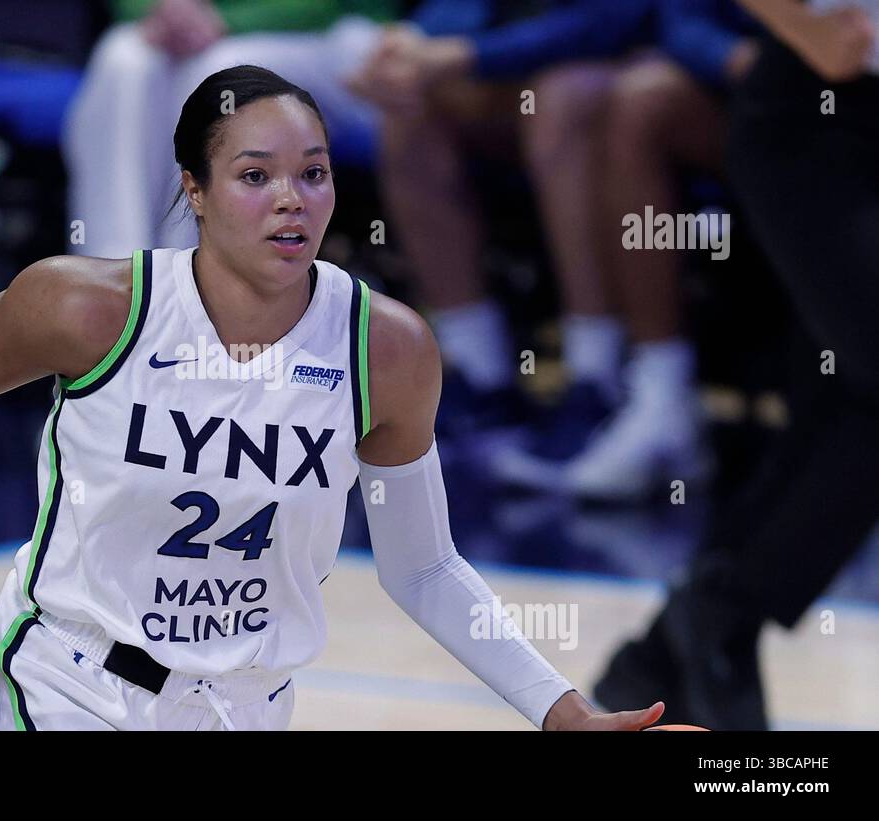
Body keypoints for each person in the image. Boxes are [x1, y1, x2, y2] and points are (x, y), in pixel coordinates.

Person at [0, 65, 664, 731]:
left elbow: (423, 569)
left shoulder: (385, 349)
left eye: (313, 173)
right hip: (65, 685)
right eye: (256, 176)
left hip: (245, 706)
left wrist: (561, 710)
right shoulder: (89, 307)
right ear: (195, 189)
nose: (292, 199)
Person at [595, 0, 879, 729]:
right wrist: (800, 21)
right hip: (820, 118)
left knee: (844, 404)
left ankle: (666, 652)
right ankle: (714, 618)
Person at [346, 0, 652, 444]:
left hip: (625, 66)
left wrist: (470, 54)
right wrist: (413, 44)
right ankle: (478, 375)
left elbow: (618, 20)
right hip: (518, 73)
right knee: (413, 102)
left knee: (564, 97)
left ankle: (596, 376)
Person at [492, 0, 763, 500]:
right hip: (747, 76)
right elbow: (680, 16)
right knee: (607, 99)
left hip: (835, 81)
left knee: (629, 97)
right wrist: (735, 56)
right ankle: (640, 392)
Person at [64, 0, 398, 259]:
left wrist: (228, 22)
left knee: (218, 73)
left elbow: (321, 8)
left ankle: (187, 276)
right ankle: (115, 268)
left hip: (337, 31)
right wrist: (161, 11)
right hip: (196, 26)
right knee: (124, 58)